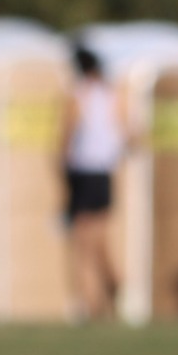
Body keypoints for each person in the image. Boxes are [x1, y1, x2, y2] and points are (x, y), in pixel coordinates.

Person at [60, 44, 128, 322]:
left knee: (80, 242)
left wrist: (60, 172)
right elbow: (128, 133)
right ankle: (111, 288)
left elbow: (66, 134)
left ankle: (87, 304)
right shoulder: (113, 95)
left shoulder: (79, 95)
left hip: (83, 172)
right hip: (104, 172)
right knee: (100, 240)